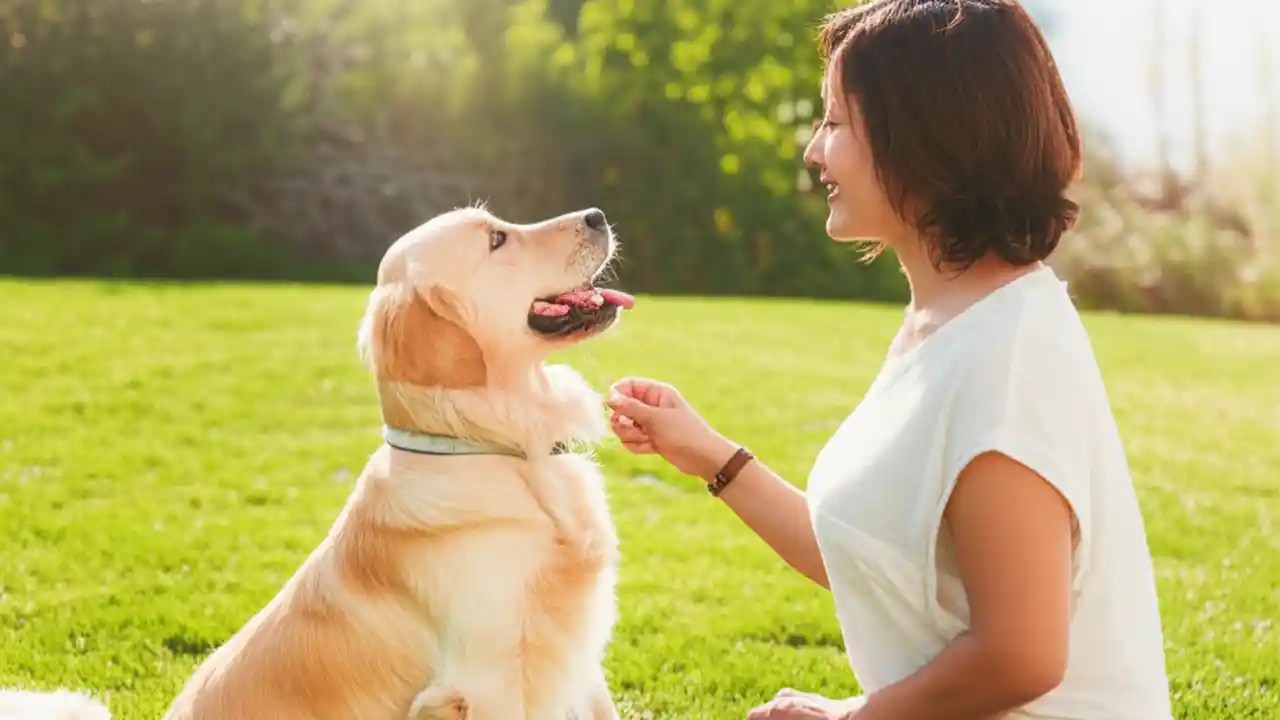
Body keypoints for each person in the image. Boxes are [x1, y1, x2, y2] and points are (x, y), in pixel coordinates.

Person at [605, 1, 1173, 718]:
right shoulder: (949, 323)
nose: (814, 150)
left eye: (836, 121)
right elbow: (871, 561)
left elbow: (1020, 655)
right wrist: (709, 455)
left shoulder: (1007, 356)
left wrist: (853, 717)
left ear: (926, 134)